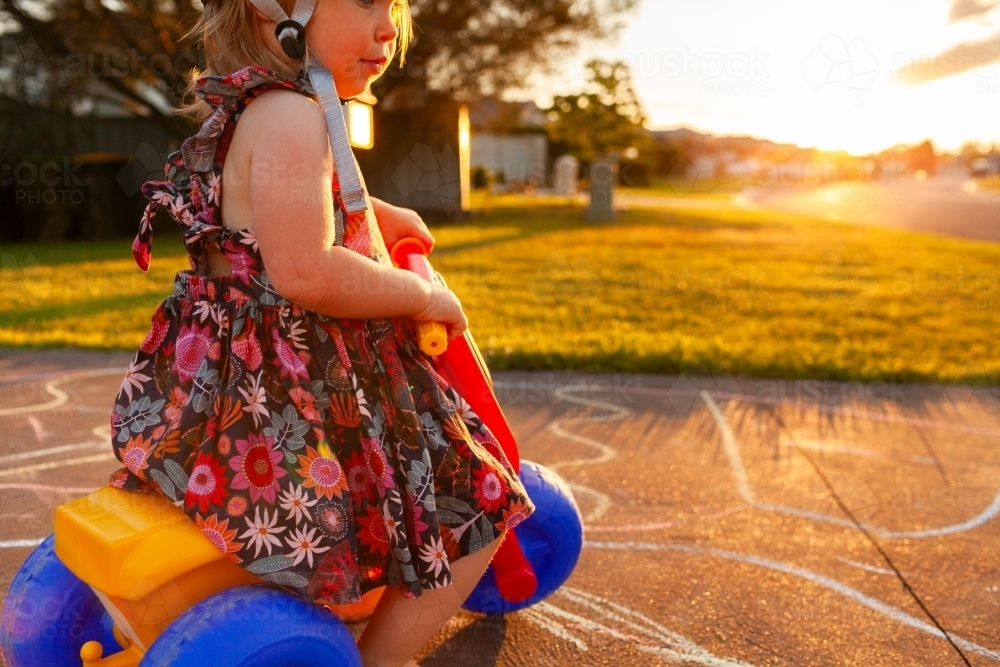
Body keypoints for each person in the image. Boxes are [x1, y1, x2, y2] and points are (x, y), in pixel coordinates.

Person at [107, 0, 535, 664]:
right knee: (476, 501)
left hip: (232, 403)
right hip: (298, 399)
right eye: (366, 2)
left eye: (394, 8)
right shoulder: (293, 116)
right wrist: (423, 294)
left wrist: (376, 213)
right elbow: (306, 268)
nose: (390, 29)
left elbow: (288, 204)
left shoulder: (258, 108)